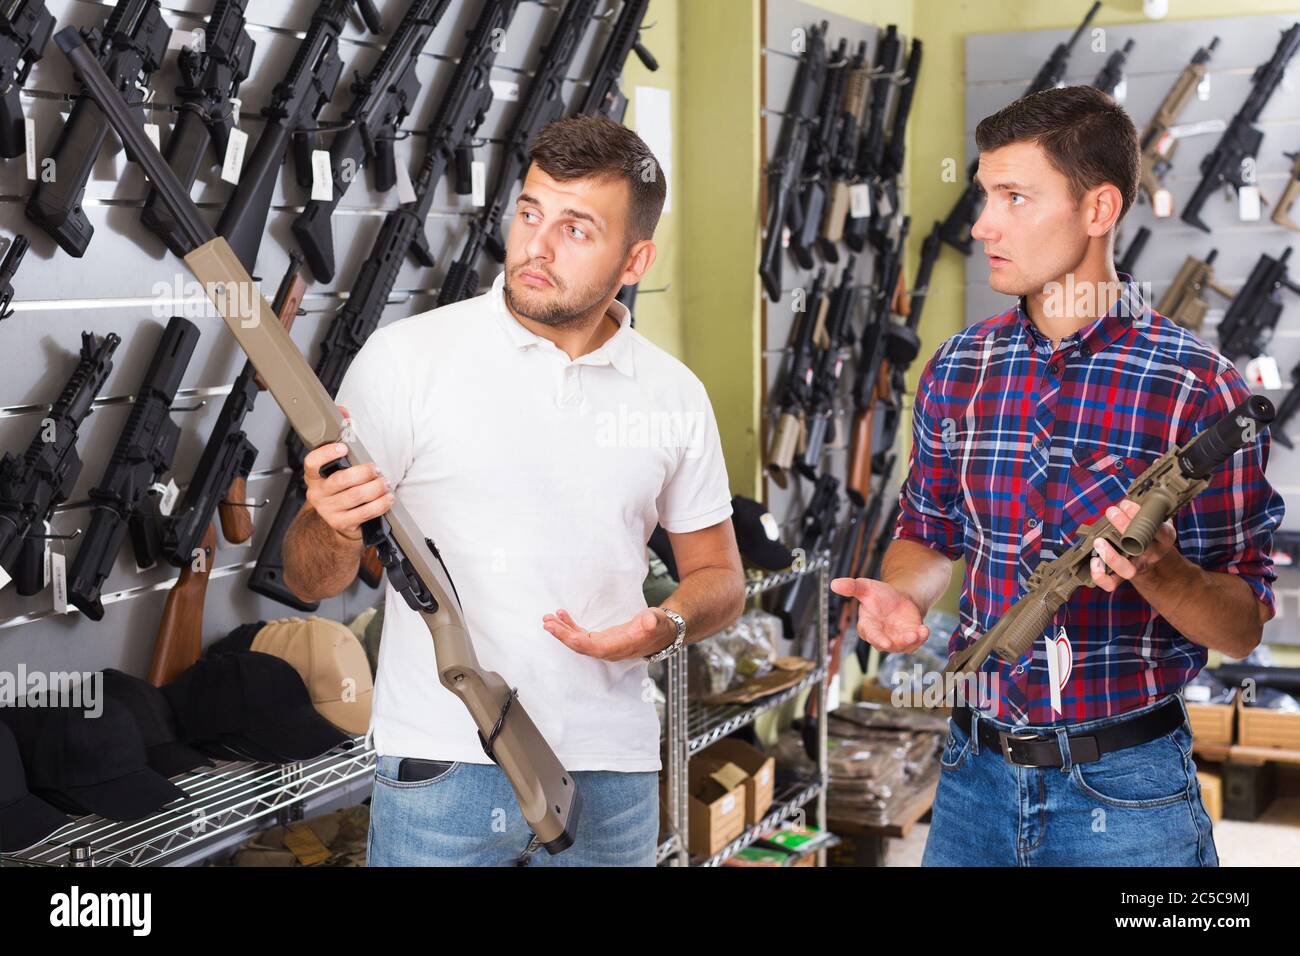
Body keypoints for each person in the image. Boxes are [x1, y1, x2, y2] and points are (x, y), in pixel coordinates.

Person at [832, 85, 1284, 866]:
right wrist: (902, 595)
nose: (983, 225)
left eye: (1015, 197)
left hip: (1129, 789)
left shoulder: (1198, 389)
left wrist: (1163, 571)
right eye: (985, 195)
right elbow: (927, 533)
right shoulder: (957, 369)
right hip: (972, 777)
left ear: (1098, 208)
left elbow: (1240, 625)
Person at [281, 115, 746, 866]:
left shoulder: (674, 395)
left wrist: (665, 626)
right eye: (530, 212)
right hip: (441, 762)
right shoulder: (407, 361)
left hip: (611, 768)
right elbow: (309, 580)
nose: (537, 244)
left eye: (576, 228)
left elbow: (722, 580)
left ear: (635, 259)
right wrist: (330, 524)